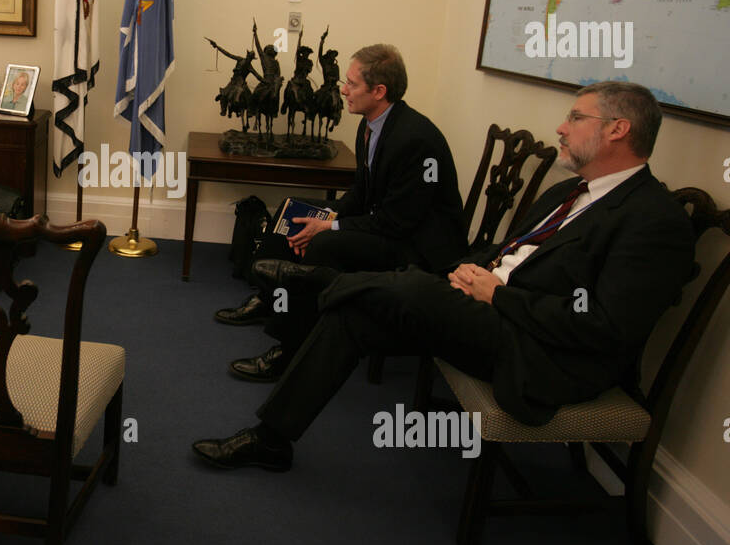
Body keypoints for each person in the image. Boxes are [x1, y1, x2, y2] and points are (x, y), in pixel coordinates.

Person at [192, 81, 695, 471]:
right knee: (358, 314)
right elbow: (507, 250)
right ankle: (272, 440)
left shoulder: (654, 220)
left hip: (544, 353)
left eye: (575, 117)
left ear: (617, 129)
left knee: (408, 284)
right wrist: (469, 272)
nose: (562, 128)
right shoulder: (570, 192)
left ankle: (321, 283)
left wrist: (496, 295)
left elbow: (605, 327)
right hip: (489, 309)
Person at [216, 44, 467, 383]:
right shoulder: (371, 125)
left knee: (323, 246)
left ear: (379, 91)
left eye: (351, 84)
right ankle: (269, 300)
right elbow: (362, 194)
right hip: (389, 224)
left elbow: (397, 223)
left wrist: (330, 226)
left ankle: (287, 352)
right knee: (293, 211)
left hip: (418, 247)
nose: (342, 90)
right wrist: (323, 217)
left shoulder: (416, 140)